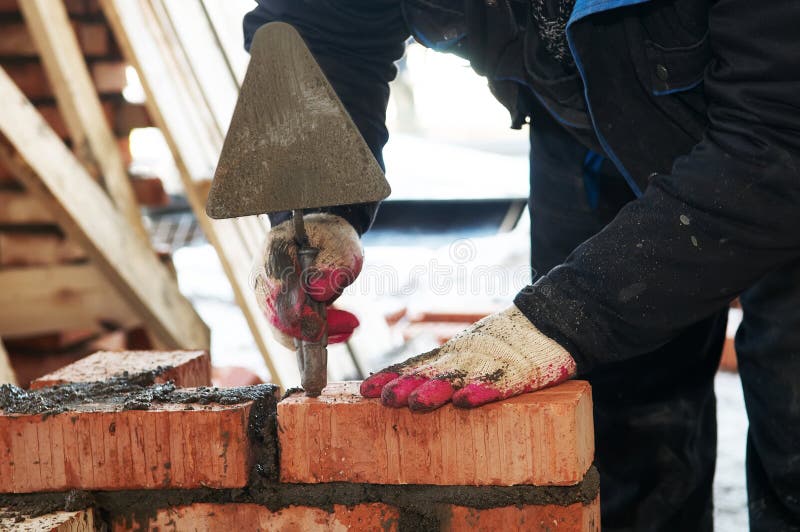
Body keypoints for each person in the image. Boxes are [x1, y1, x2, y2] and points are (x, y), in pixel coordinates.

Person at [243, 1, 800, 530]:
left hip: (778, 135)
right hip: (585, 128)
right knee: (616, 431)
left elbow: (780, 139)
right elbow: (325, 27)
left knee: (792, 420)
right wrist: (321, 207)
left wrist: (572, 315)